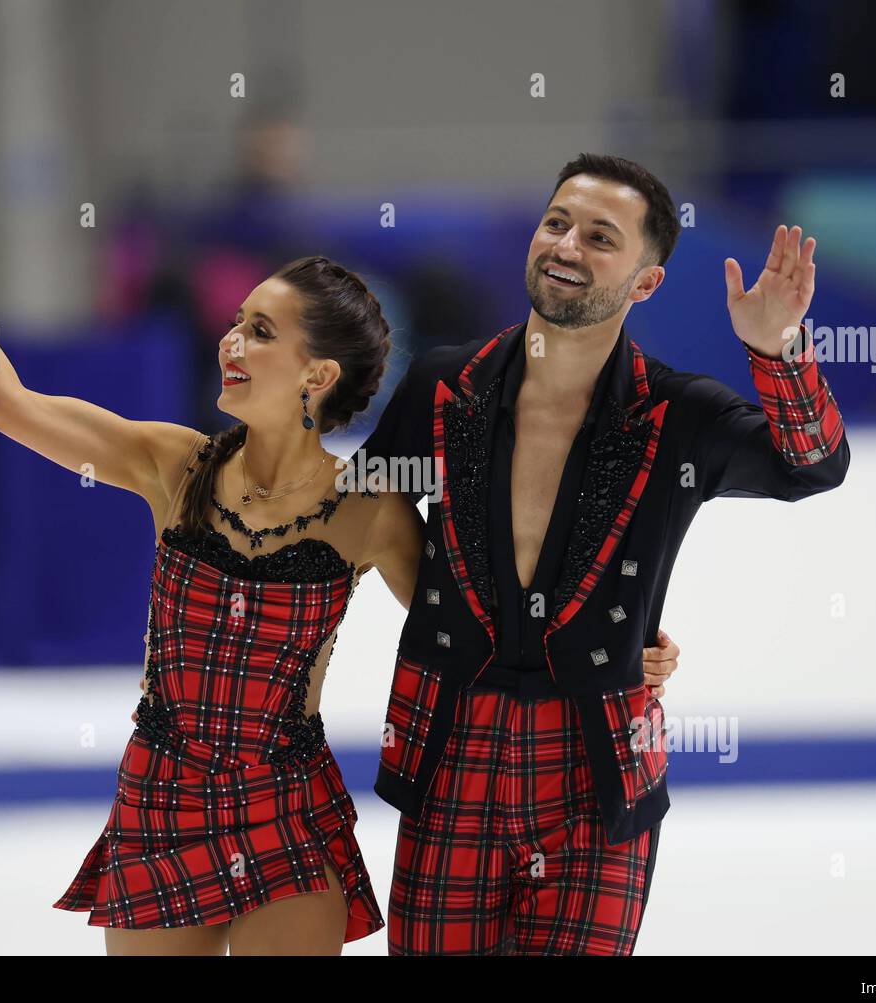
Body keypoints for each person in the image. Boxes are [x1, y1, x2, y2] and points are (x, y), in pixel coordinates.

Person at [0, 153, 688, 955]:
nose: (229, 344)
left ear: (316, 374)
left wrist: (625, 649)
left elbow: (483, 629)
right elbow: (0, 400)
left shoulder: (370, 511)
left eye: (258, 331)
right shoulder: (171, 464)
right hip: (160, 798)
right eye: (237, 324)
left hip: (288, 810)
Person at [351, 152, 850, 956]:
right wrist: (449, 611)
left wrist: (778, 350)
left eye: (600, 237)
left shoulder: (678, 415)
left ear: (645, 283)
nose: (567, 246)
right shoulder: (445, 388)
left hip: (599, 768)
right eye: (556, 223)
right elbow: (364, 514)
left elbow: (813, 466)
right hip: (453, 752)